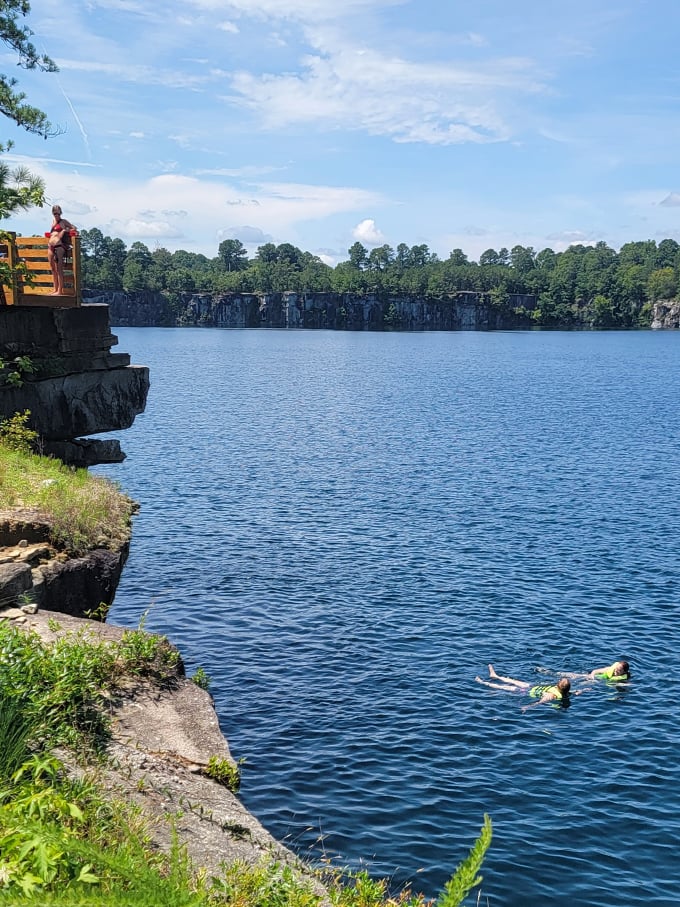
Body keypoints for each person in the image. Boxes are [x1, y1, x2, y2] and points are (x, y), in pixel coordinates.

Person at [475, 664, 571, 710]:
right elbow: (573, 692)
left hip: (525, 691)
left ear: (559, 685)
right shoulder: (564, 692)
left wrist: (527, 707)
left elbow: (540, 702)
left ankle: (482, 682)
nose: (558, 680)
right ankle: (495, 676)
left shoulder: (552, 695)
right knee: (513, 681)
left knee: (503, 687)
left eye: (559, 681)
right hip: (531, 686)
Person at [47, 204, 76, 295]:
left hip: (59, 246)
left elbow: (74, 228)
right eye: (55, 213)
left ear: (61, 213)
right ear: (52, 213)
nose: (57, 215)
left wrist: (65, 230)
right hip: (51, 246)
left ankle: (60, 290)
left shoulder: (63, 221)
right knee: (52, 268)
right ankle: (55, 289)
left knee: (59, 268)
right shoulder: (53, 222)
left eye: (58, 213)